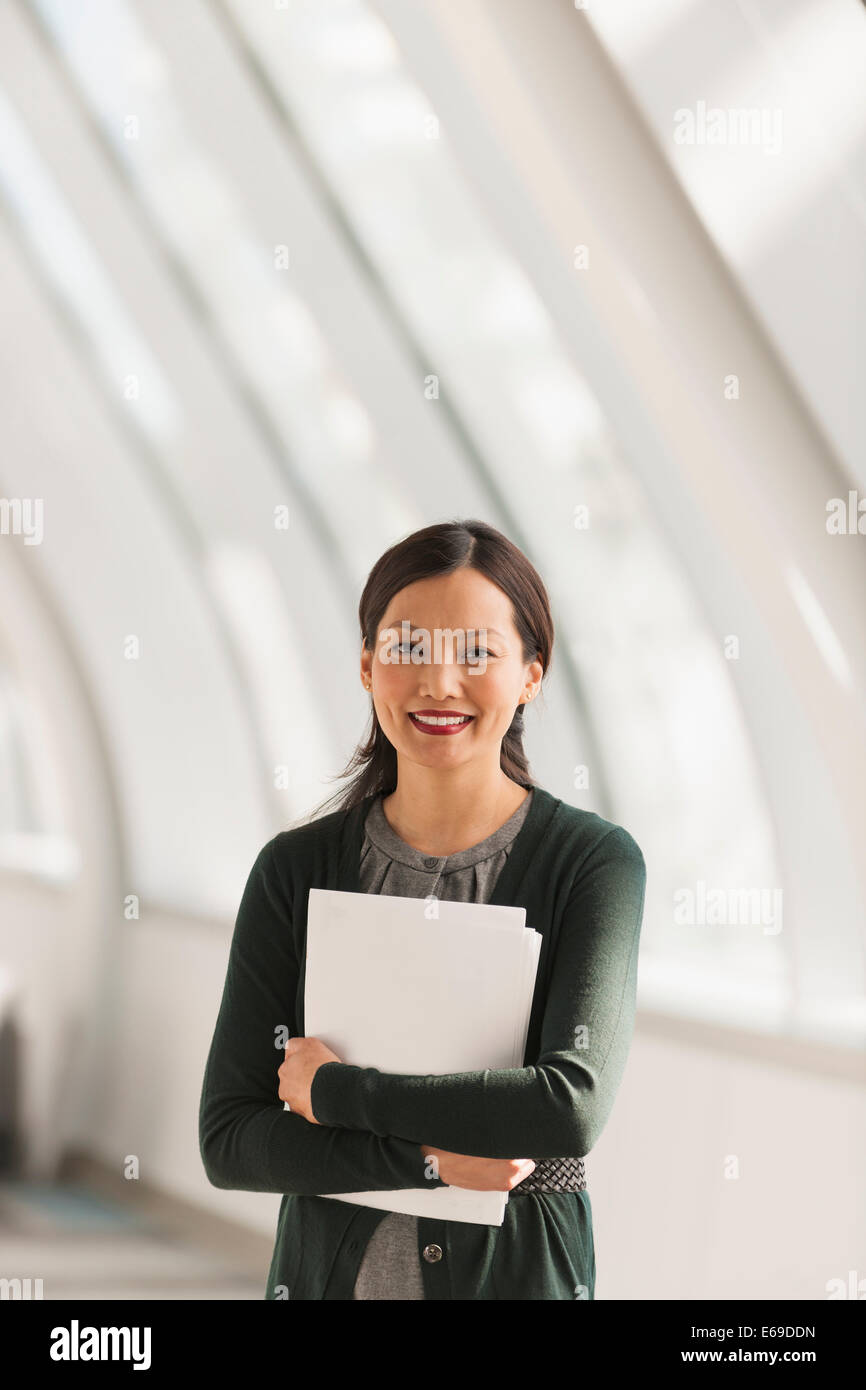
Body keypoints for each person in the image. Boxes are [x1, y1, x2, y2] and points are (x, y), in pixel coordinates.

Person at [199, 518, 646, 1299]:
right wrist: (432, 1163)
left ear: (531, 674)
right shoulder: (295, 869)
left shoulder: (592, 864)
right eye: (408, 649)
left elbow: (567, 1106)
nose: (440, 682)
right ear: (369, 667)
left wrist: (336, 1094)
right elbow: (232, 1139)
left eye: (478, 652)